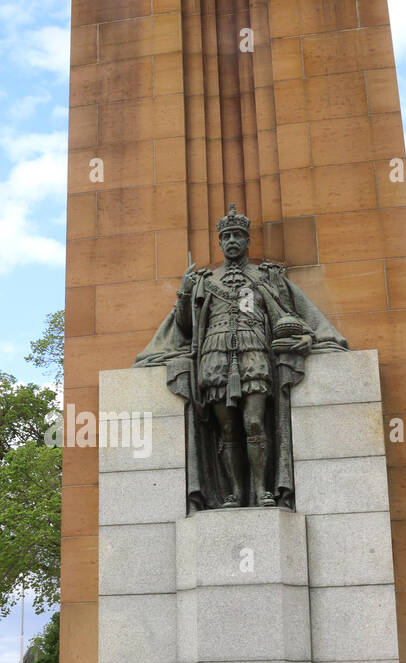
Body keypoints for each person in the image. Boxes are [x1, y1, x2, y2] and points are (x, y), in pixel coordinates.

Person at [135, 204, 349, 511]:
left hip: (254, 353)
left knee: (253, 423)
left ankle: (262, 490)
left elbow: (292, 314)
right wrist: (183, 293)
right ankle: (233, 493)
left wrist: (309, 336)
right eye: (227, 236)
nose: (232, 241)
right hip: (214, 355)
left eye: (238, 235)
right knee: (227, 430)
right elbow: (184, 326)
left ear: (247, 241)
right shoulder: (203, 281)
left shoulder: (266, 278)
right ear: (220, 243)